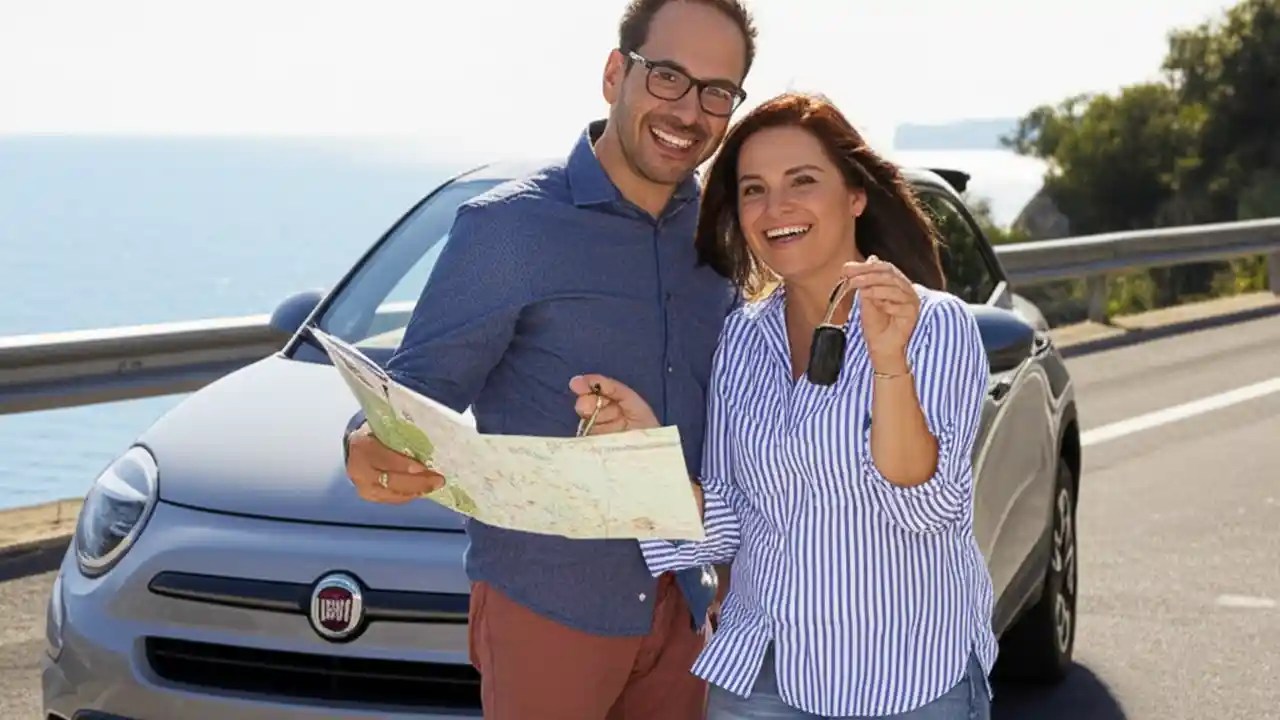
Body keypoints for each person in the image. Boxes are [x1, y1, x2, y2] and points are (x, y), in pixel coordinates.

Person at [342, 1, 759, 717]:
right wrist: (363, 443)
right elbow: (414, 391)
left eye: (716, 92)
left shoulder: (727, 233)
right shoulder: (508, 229)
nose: (689, 110)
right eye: (667, 77)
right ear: (613, 73)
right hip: (549, 609)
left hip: (693, 610)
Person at [567, 91, 998, 720]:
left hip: (908, 679)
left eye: (803, 181)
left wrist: (888, 362)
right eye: (753, 190)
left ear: (855, 195)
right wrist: (641, 442)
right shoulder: (742, 335)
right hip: (761, 679)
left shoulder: (935, 325)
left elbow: (926, 504)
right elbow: (729, 520)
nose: (776, 208)